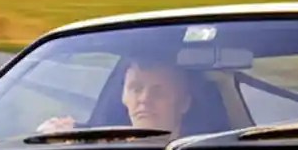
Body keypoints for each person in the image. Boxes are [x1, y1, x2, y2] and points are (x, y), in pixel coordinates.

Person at [36, 57, 193, 136]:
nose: (144, 99)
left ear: (184, 103)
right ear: (123, 96)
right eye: (136, 89)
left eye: (158, 92)